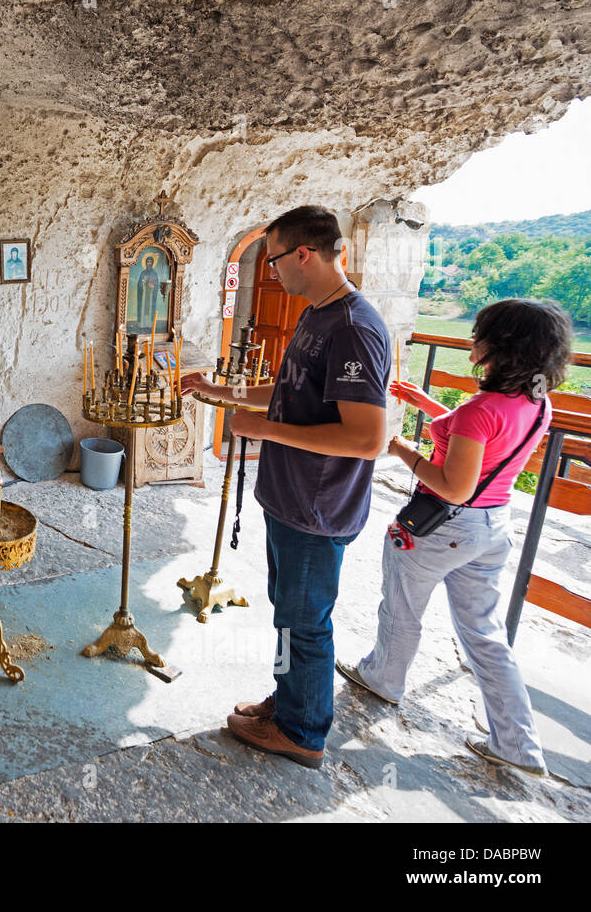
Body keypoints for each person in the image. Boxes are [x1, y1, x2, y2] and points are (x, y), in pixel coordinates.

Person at [182, 205, 390, 768]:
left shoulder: (354, 328)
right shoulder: (315, 314)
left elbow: (367, 438)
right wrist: (224, 393)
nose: (270, 272)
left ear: (303, 253)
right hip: (289, 497)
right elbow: (290, 389)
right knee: (286, 613)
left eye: (272, 259)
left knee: (305, 621)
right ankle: (288, 700)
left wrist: (262, 430)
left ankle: (303, 732)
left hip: (316, 507)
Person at [338, 298, 571, 777]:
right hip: (492, 527)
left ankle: (383, 679)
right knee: (484, 634)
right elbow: (489, 443)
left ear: (501, 345)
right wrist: (434, 409)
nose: (473, 338)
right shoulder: (538, 401)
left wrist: (400, 448)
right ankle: (518, 745)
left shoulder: (479, 410)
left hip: (444, 529)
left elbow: (453, 484)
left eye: (480, 331)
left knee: (401, 608)